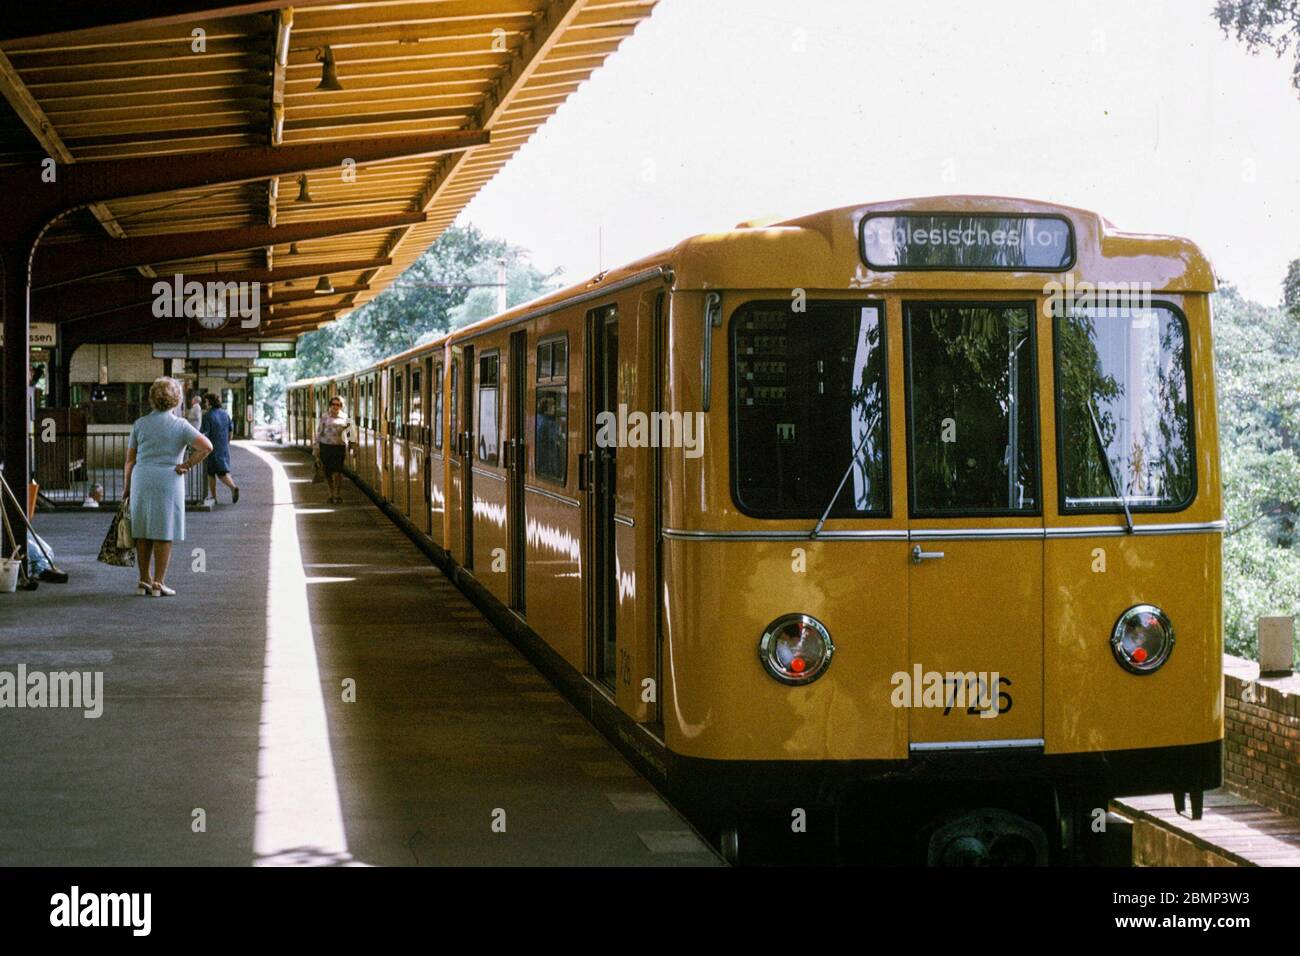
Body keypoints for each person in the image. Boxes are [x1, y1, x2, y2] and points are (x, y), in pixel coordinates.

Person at [123, 377, 212, 597]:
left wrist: (127, 487)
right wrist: (186, 465)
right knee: (164, 531)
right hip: (169, 479)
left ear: (152, 398)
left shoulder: (140, 424)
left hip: (141, 478)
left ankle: (143, 580)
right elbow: (206, 447)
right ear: (177, 400)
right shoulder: (181, 425)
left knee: (142, 531)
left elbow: (129, 461)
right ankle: (158, 583)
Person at [313, 395, 355, 504]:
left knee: (338, 472)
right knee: (328, 472)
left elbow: (351, 434)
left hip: (339, 447)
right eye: (334, 404)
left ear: (341, 406)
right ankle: (331, 494)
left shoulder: (346, 417)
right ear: (330, 405)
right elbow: (319, 432)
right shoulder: (324, 417)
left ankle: (337, 494)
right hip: (326, 447)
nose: (336, 406)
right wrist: (316, 447)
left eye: (338, 405)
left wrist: (353, 445)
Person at [201, 392, 239, 504]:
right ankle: (229, 489)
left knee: (212, 473)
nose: (205, 404)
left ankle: (218, 495)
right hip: (223, 447)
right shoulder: (225, 414)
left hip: (211, 448)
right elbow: (230, 432)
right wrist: (226, 443)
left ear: (210, 402)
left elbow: (204, 433)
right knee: (222, 471)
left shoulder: (207, 416)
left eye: (206, 402)